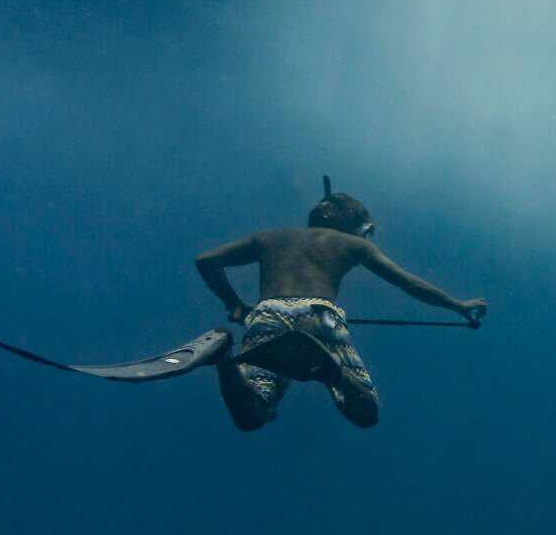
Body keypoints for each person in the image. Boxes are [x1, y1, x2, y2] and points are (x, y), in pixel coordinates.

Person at [193, 180, 487, 432]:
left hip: (268, 313)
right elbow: (410, 284)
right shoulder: (353, 244)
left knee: (251, 415)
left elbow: (206, 261)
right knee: (366, 412)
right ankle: (336, 374)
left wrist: (234, 303)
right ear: (352, 224)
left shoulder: (268, 238)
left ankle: (223, 356)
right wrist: (458, 306)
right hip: (321, 315)